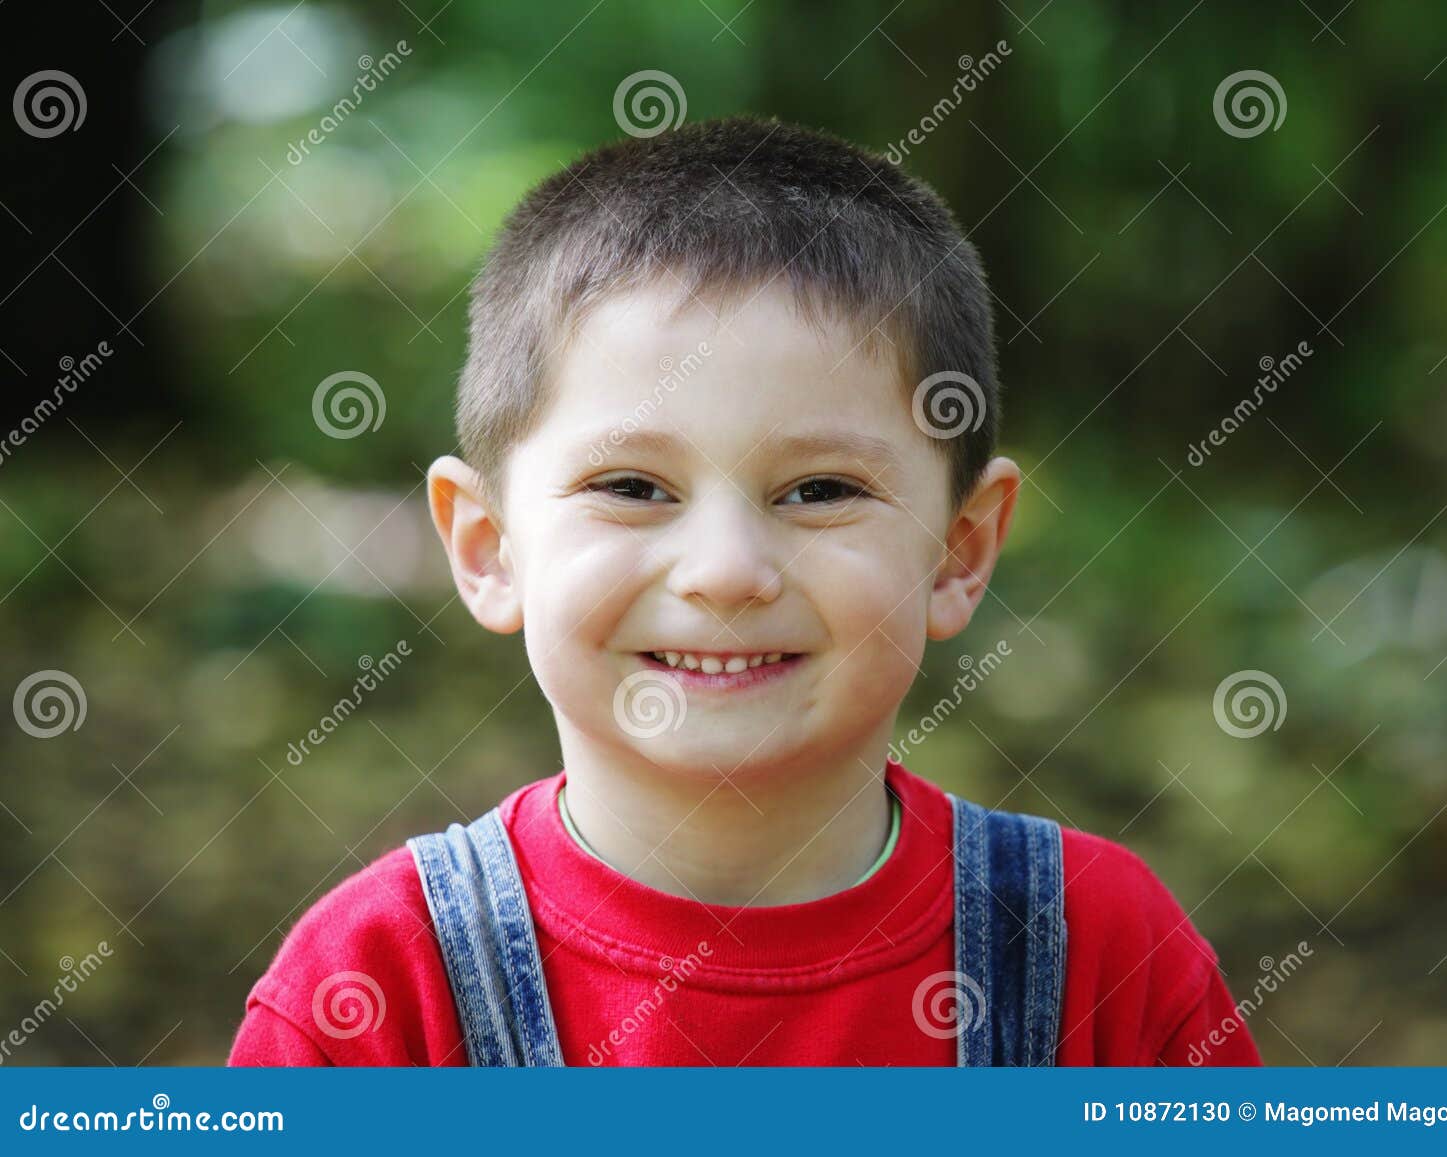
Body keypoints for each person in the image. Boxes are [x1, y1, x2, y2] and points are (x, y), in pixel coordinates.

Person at [229, 116, 1260, 1067]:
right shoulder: (373, 985)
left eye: (820, 490)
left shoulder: (1097, 951)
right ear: (489, 544)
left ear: (957, 550)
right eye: (631, 487)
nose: (725, 570)